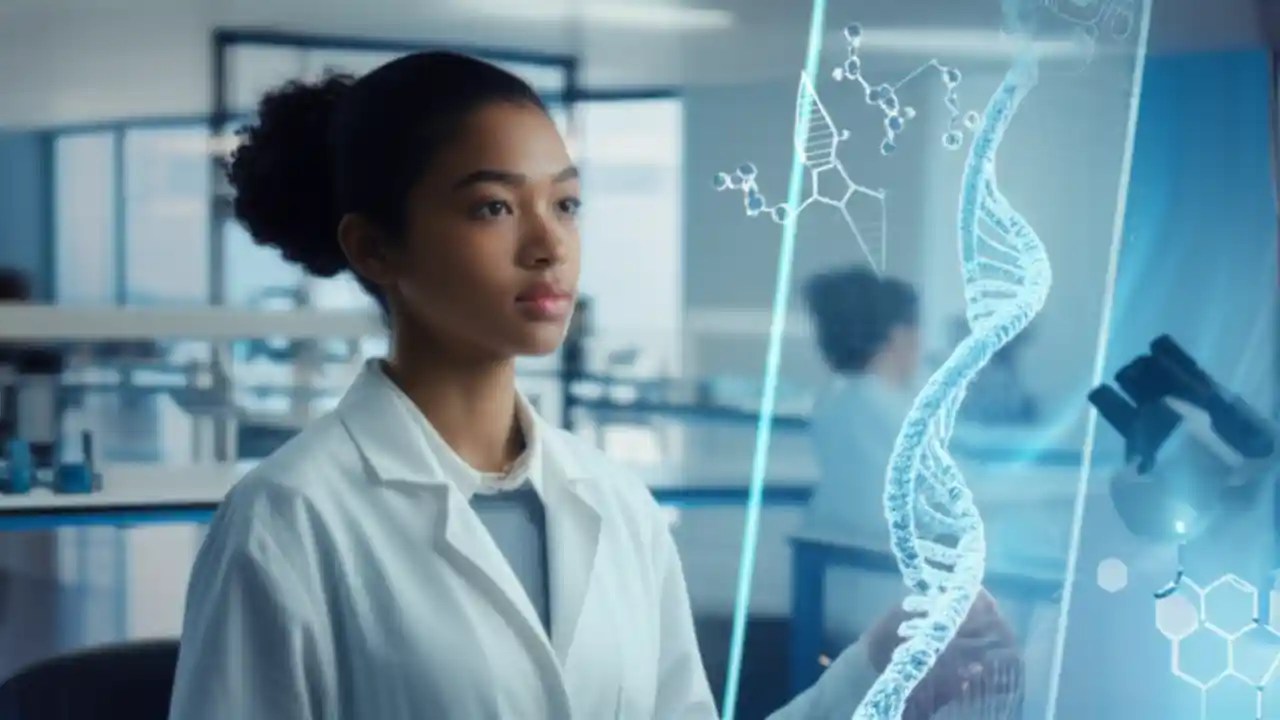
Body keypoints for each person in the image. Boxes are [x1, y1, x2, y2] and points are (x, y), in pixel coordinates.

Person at [167, 52, 1017, 720]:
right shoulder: (290, 520)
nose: (549, 246)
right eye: (494, 208)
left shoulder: (617, 505)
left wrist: (880, 671)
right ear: (374, 249)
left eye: (566, 205)